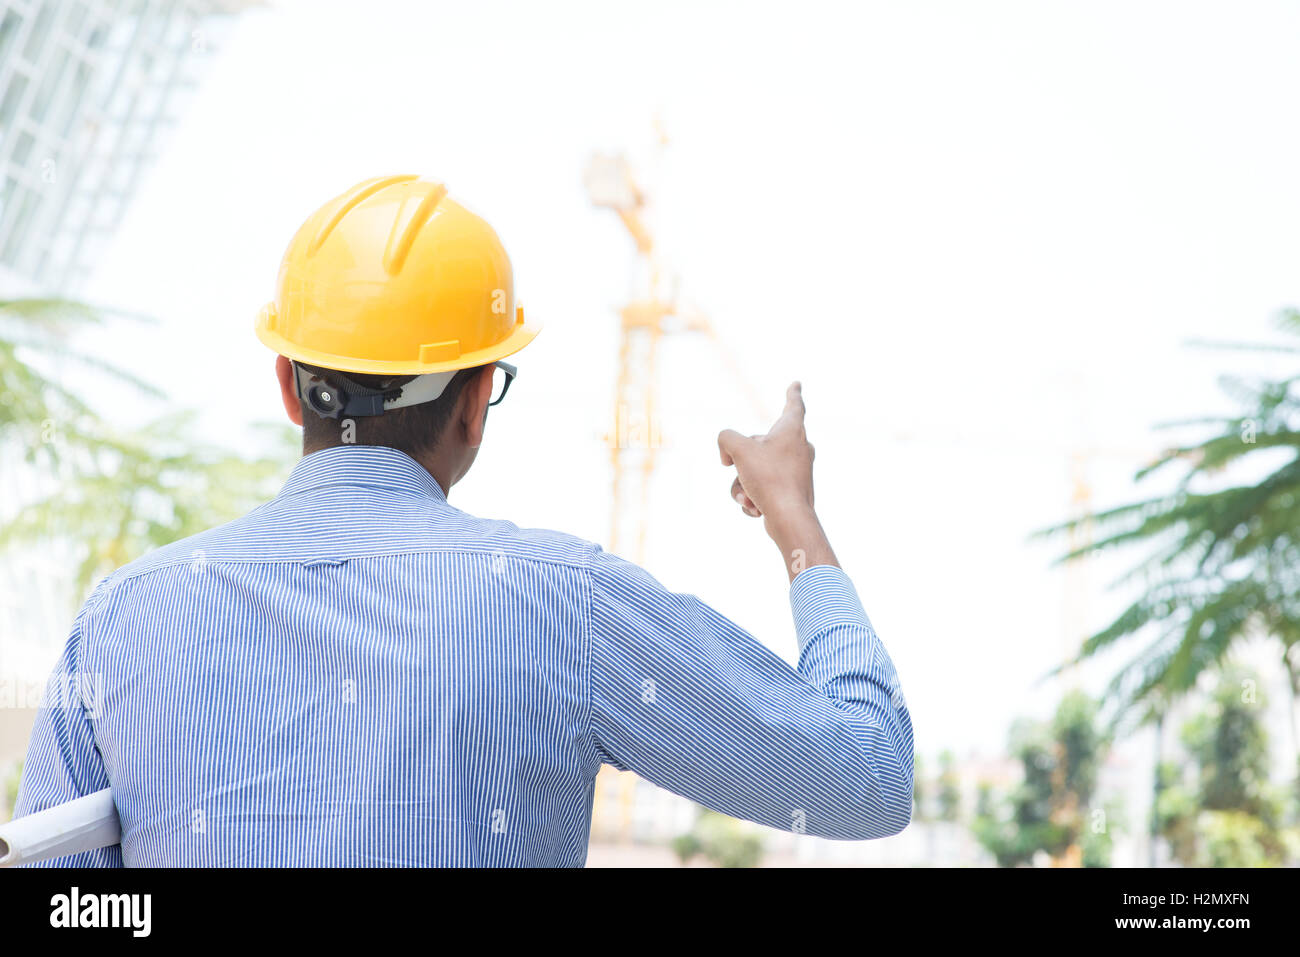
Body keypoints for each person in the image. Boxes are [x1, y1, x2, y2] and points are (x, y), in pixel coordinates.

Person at [14, 176, 912, 866]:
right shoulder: (567, 607)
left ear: (289, 384)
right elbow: (866, 778)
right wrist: (795, 519)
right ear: (478, 401)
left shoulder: (121, 619)